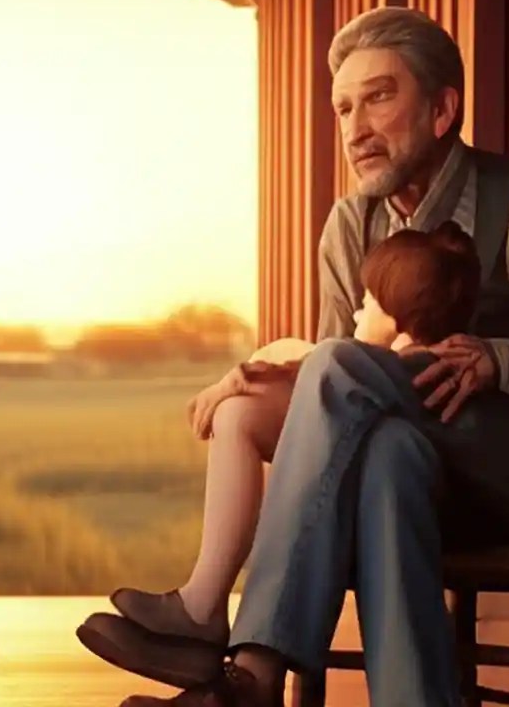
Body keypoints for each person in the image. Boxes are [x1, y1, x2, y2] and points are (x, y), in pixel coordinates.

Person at [82, 6, 509, 707]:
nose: (355, 129)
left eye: (379, 97)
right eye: (342, 108)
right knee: (386, 449)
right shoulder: (350, 226)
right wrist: (262, 379)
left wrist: (501, 360)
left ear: (442, 108)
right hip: (432, 480)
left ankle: (249, 664)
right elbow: (339, 400)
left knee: (337, 371)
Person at [78, 222, 481, 686]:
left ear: (393, 319)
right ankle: (203, 605)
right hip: (354, 478)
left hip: (399, 508)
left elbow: (336, 367)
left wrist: (261, 373)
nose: (356, 310)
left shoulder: (427, 369)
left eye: (367, 302)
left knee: (333, 392)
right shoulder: (372, 369)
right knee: (239, 414)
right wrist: (239, 385)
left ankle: (250, 668)